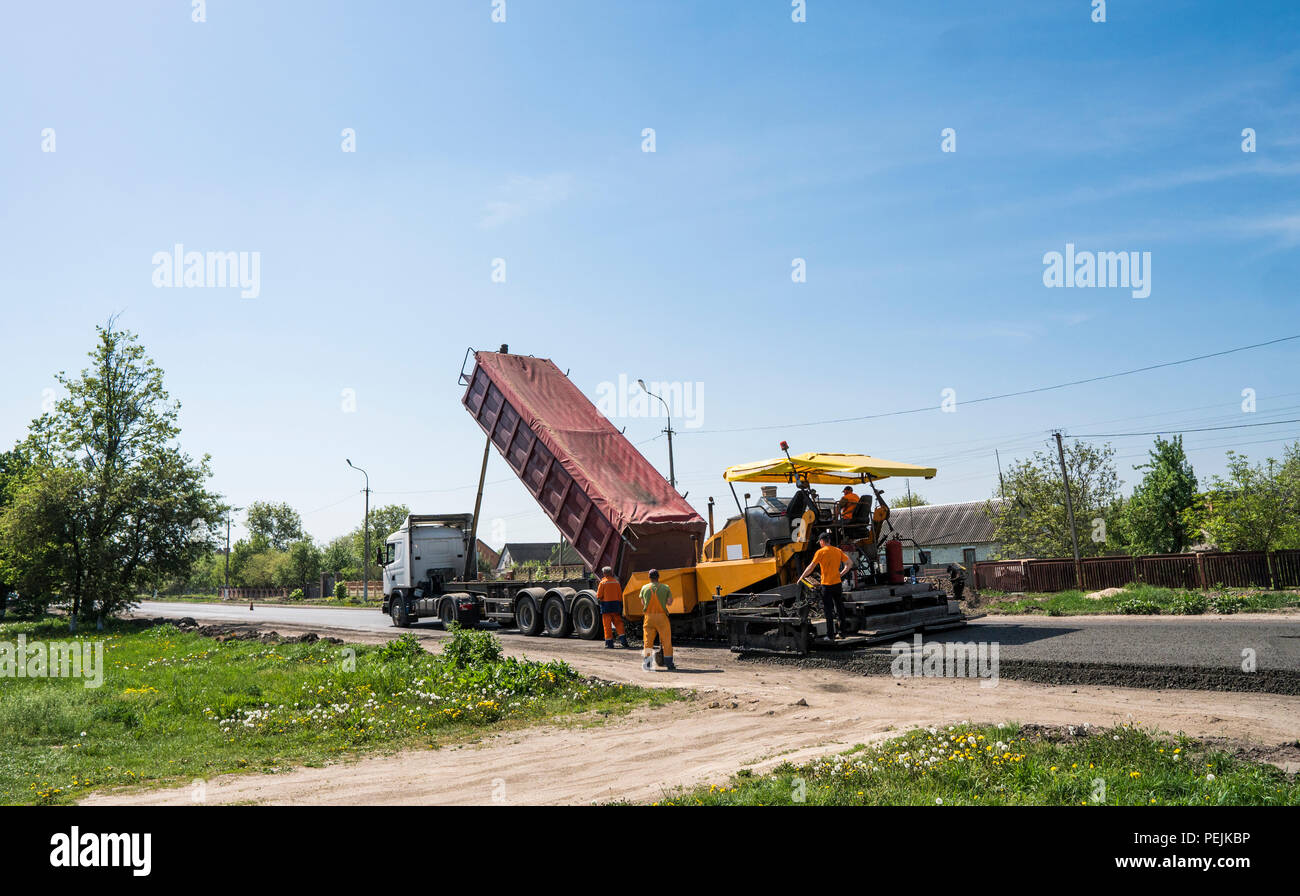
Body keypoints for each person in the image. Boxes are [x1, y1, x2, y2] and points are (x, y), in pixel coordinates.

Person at [800, 532, 851, 640]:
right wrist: (841, 574)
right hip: (837, 584)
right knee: (840, 608)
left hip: (826, 585)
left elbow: (811, 567)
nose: (820, 544)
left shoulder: (820, 552)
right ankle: (842, 633)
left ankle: (830, 635)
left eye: (820, 542)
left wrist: (801, 577)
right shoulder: (838, 551)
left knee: (828, 611)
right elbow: (849, 563)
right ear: (829, 541)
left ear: (822, 541)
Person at [639, 569, 675, 671]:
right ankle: (669, 663)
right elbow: (669, 603)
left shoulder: (644, 588)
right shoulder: (665, 587)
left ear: (649, 577)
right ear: (658, 577)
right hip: (662, 618)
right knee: (666, 641)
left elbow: (643, 603)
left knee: (647, 641)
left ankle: (647, 664)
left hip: (649, 618)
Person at [597, 566, 630, 649]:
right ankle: (624, 641)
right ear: (611, 573)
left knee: (607, 625)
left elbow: (599, 595)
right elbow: (620, 595)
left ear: (604, 573)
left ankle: (609, 643)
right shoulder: (616, 582)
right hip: (616, 605)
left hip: (606, 606)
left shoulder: (603, 583)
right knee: (619, 623)